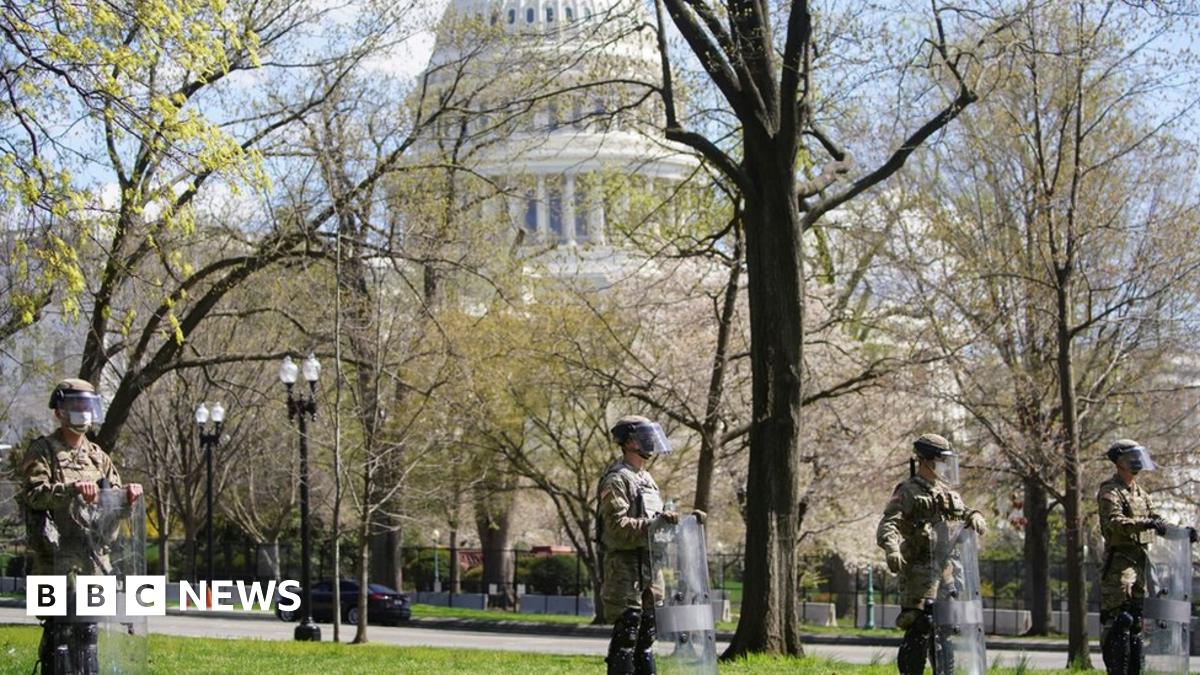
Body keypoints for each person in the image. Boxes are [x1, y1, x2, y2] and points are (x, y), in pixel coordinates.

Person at [19, 378, 142, 674]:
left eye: (87, 405)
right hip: (54, 560)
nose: (83, 412)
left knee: (88, 634)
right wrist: (72, 489)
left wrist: (127, 498)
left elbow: (112, 505)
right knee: (59, 635)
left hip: (94, 562)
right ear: (59, 411)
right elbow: (34, 495)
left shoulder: (98, 456)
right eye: (76, 405)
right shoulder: (43, 450)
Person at [597, 415, 703, 675]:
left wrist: (685, 521)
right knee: (628, 634)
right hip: (625, 567)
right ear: (628, 442)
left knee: (647, 637)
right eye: (644, 436)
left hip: (651, 568)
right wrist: (655, 525)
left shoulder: (647, 479)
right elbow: (617, 527)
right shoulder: (617, 479)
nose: (651, 441)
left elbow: (658, 520)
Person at [876, 433, 988, 675]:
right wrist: (892, 548)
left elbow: (965, 512)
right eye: (941, 459)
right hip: (920, 571)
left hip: (947, 571)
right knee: (921, 624)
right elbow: (889, 523)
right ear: (926, 460)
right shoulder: (908, 491)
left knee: (946, 627)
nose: (945, 465)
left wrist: (975, 515)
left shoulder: (948, 492)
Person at [1097, 439, 1197, 675]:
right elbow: (1114, 523)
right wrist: (1146, 524)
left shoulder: (1141, 494)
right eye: (1131, 457)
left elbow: (1158, 521)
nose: (1137, 462)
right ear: (1119, 461)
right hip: (1120, 566)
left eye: (1138, 456)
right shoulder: (1110, 491)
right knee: (1120, 620)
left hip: (1141, 563)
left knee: (1135, 624)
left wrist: (1181, 533)